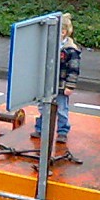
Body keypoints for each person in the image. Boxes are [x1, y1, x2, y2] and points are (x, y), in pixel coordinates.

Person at [33, 13, 81, 144]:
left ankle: (62, 132)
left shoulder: (71, 51)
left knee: (62, 110)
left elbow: (74, 70)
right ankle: (41, 128)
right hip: (48, 85)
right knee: (44, 107)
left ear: (63, 32)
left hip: (61, 86)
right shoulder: (50, 46)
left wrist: (70, 86)